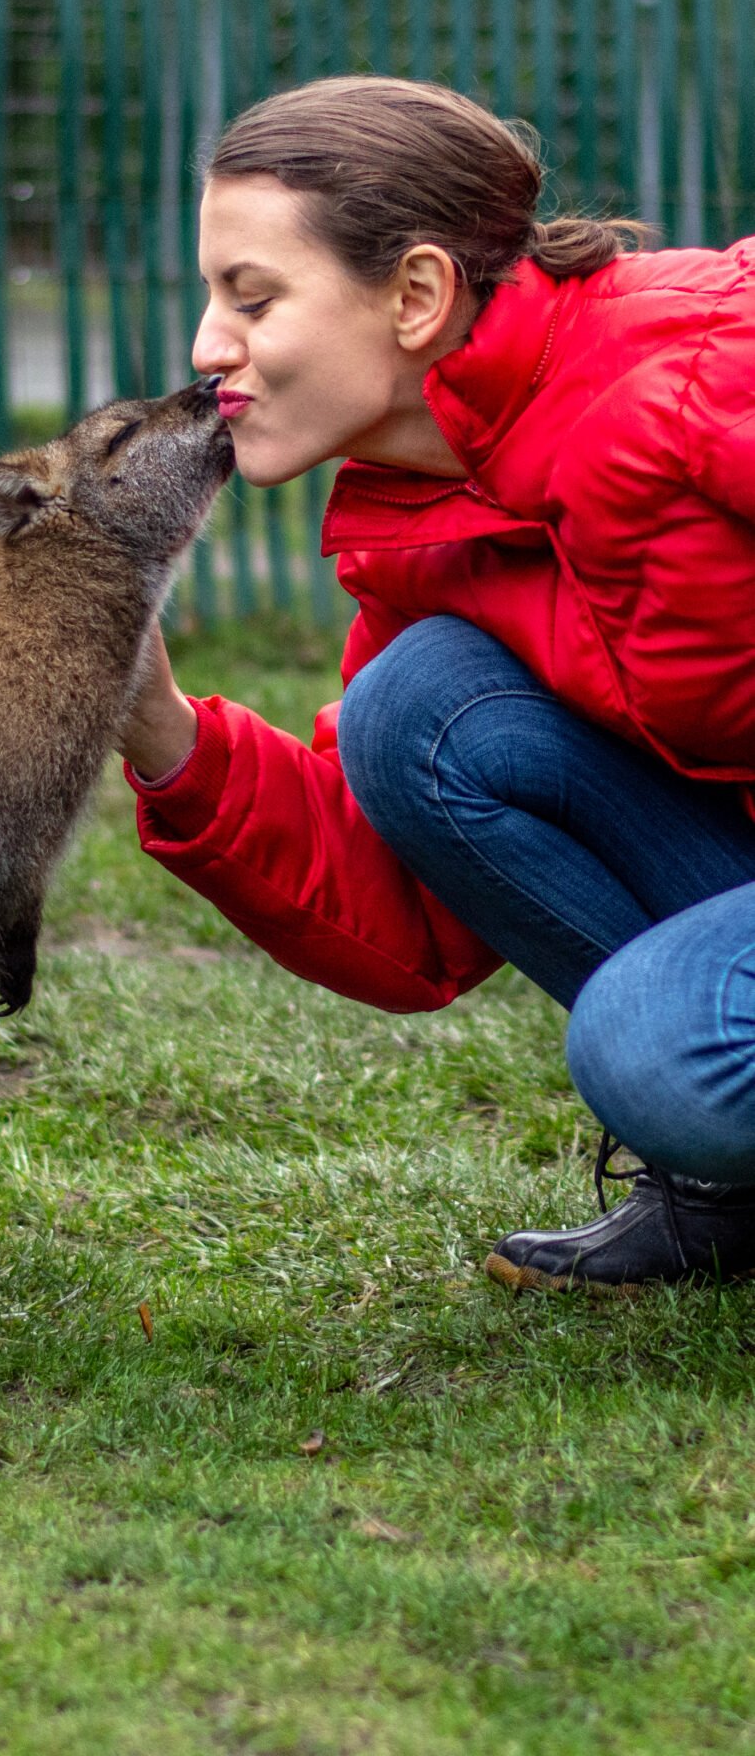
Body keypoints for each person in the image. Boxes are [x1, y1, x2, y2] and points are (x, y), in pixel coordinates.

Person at [117, 74, 755, 1295]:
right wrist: (155, 723)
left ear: (414, 293)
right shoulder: (427, 524)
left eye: (252, 298)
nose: (207, 348)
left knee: (658, 1050)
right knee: (418, 707)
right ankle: (734, 1189)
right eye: (211, 297)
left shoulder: (690, 372)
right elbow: (410, 931)